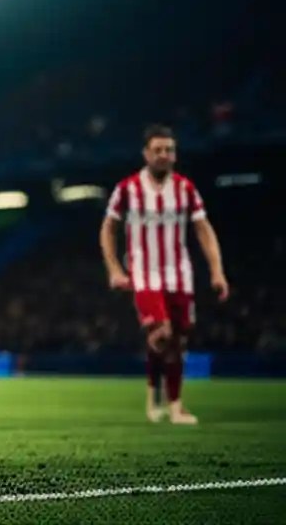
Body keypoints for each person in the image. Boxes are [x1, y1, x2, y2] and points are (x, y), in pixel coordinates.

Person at [100, 124, 230, 425]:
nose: (163, 155)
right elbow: (108, 228)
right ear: (145, 154)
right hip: (144, 274)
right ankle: (162, 401)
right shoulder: (128, 188)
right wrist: (114, 268)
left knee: (178, 343)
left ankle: (168, 401)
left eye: (169, 150)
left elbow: (203, 229)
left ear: (175, 154)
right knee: (163, 332)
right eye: (157, 150)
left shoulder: (185, 188)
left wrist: (217, 271)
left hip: (179, 275)